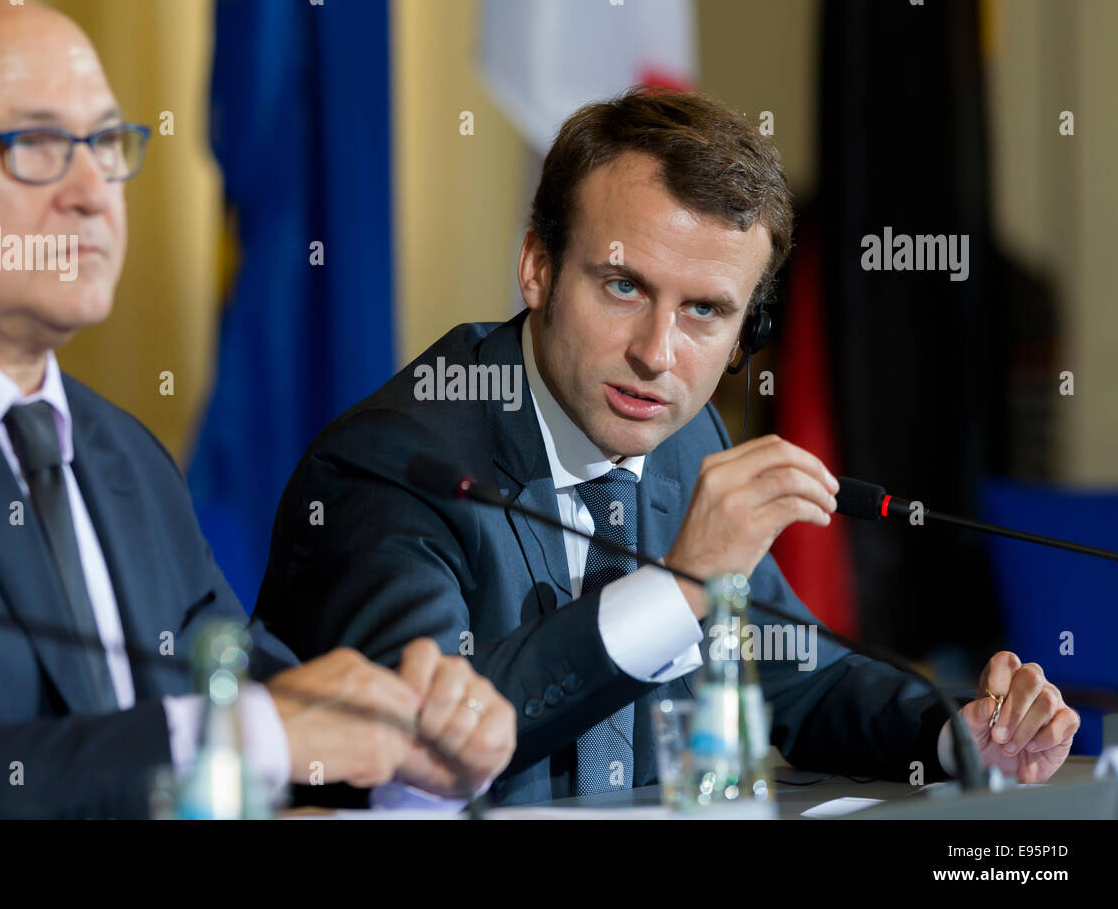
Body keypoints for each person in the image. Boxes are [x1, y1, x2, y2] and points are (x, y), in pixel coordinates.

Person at [256, 87, 1079, 804]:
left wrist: (958, 734)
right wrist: (679, 588)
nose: (657, 354)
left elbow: (797, 671)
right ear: (537, 267)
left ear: (746, 330)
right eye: (624, 287)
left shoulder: (684, 439)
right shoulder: (392, 467)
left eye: (705, 312)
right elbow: (426, 745)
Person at [0, 0, 513, 818]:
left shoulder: (119, 452)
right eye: (35, 144)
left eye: (106, 143)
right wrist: (250, 737)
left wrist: (406, 741)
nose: (92, 192)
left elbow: (250, 696)